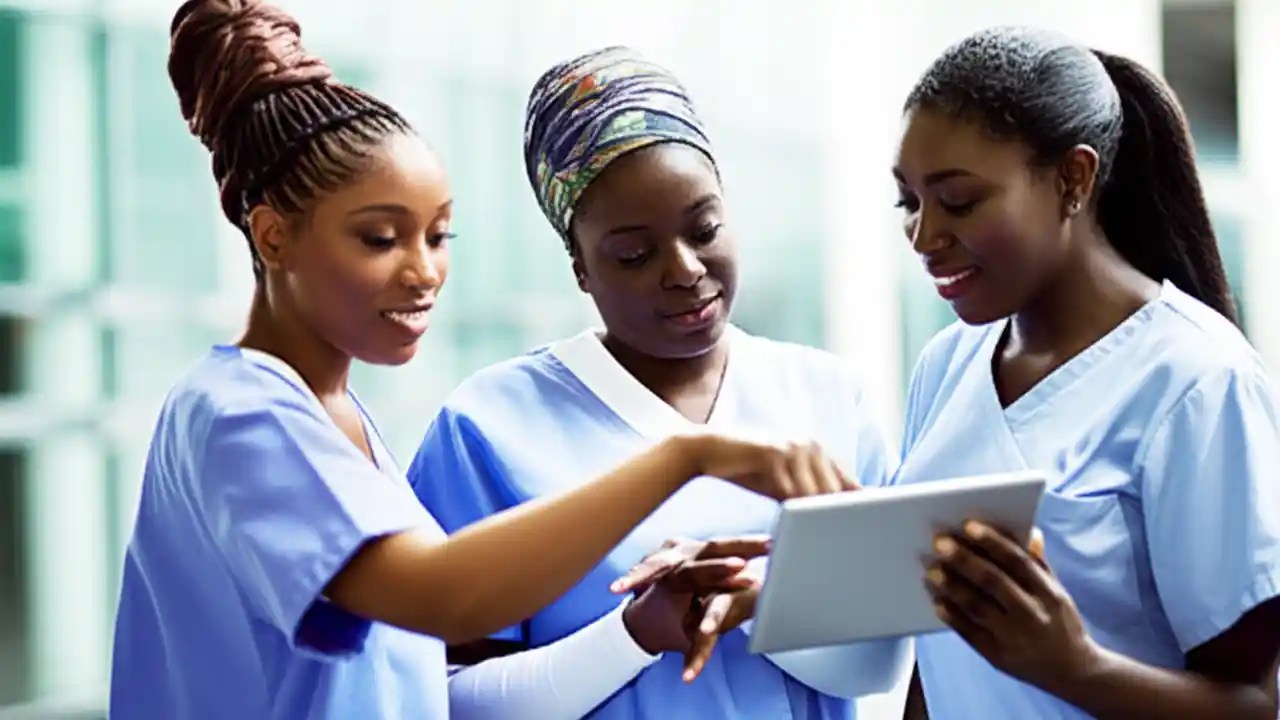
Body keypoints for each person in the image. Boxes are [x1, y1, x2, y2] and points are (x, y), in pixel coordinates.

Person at [107, 6, 858, 720]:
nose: (424, 272)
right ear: (273, 239)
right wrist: (686, 459)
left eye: (439, 237)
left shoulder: (339, 423)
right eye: (379, 238)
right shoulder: (241, 417)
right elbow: (446, 599)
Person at [408, 46, 908, 720]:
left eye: (705, 229)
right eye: (633, 254)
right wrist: (634, 634)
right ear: (581, 266)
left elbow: (880, 666)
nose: (684, 270)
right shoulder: (486, 428)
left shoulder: (825, 396)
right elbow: (445, 701)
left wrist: (761, 600)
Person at [888, 26, 1280, 719]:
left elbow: (1258, 704)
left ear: (1074, 179)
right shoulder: (946, 365)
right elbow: (940, 651)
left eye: (959, 202)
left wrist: (1075, 668)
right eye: (909, 204)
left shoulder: (1196, 382)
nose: (925, 238)